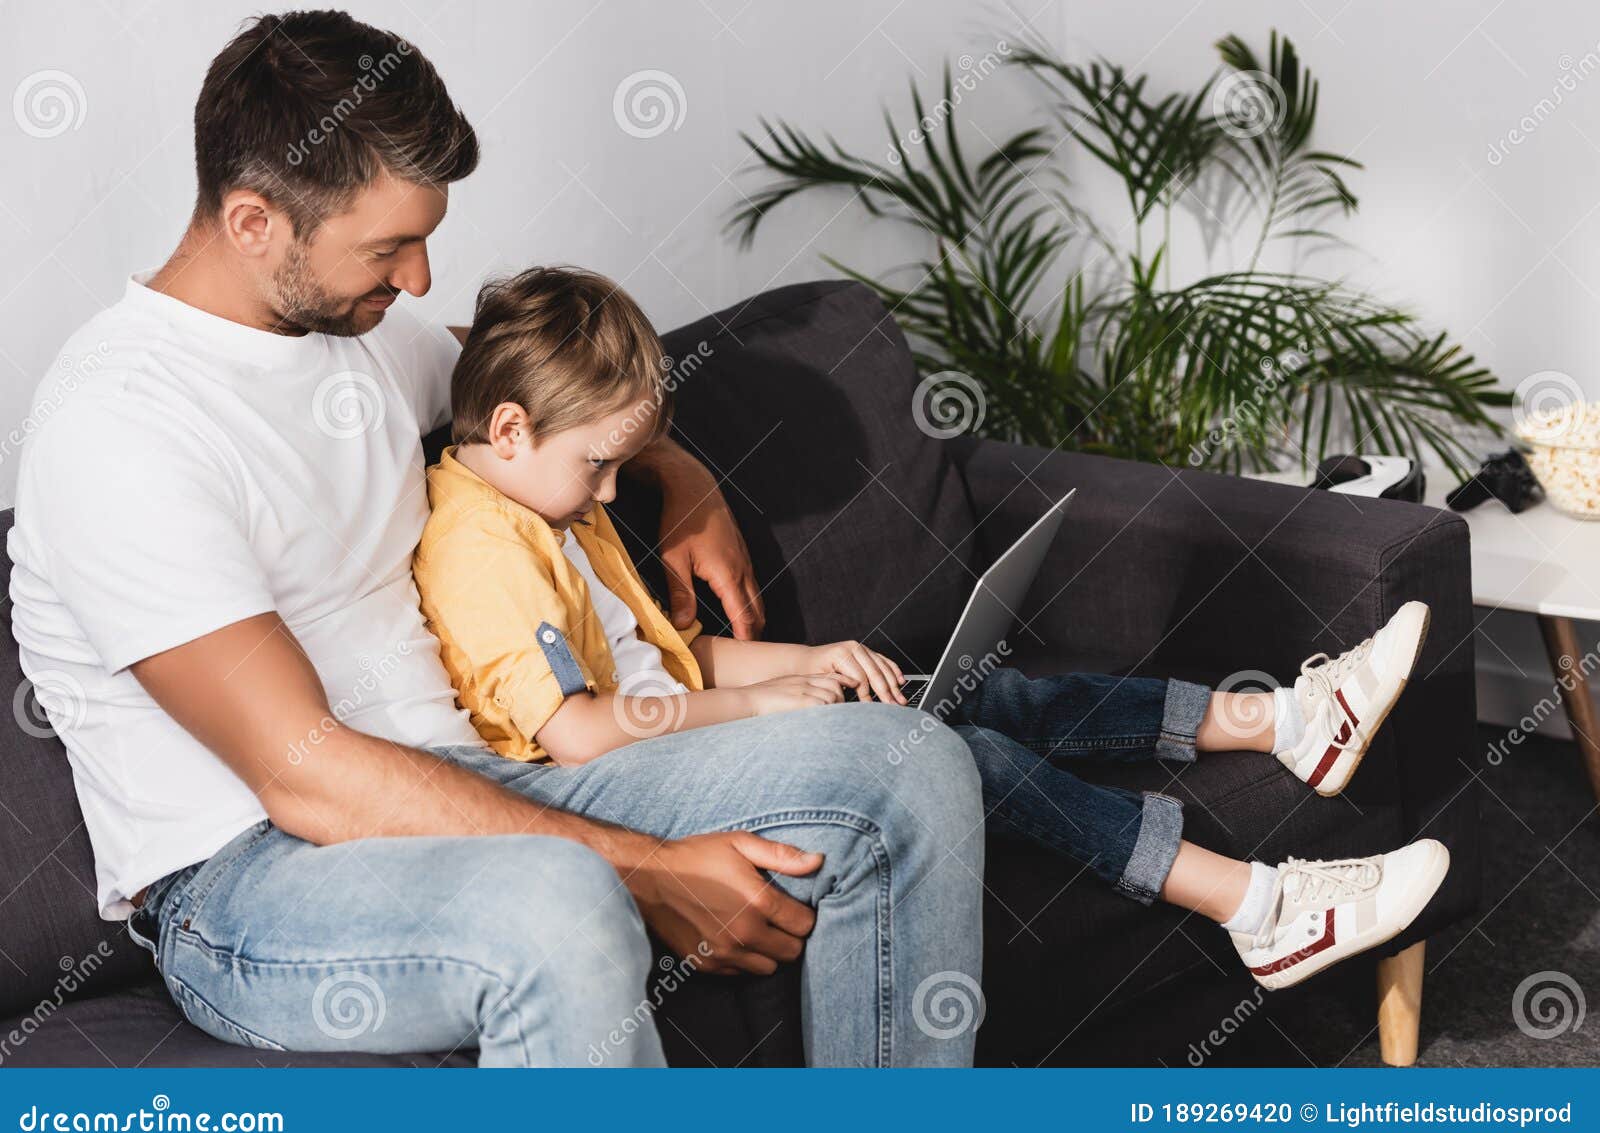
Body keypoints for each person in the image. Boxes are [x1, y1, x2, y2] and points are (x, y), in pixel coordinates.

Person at [9, 11, 984, 1066]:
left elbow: (549, 393)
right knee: (557, 905)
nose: (420, 280)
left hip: (484, 778)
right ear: (254, 222)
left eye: (424, 239)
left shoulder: (363, 338)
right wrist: (643, 868)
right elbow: (306, 775)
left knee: (907, 764)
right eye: (388, 248)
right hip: (259, 880)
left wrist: (680, 473)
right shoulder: (118, 427)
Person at [415, 264, 1453, 995]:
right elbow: (581, 735)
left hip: (693, 730)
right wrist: (758, 706)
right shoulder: (486, 547)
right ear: (509, 428)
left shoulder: (558, 509)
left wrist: (810, 663)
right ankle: (1259, 911)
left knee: (962, 694)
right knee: (971, 756)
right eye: (598, 464)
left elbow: (676, 661)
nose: (610, 489)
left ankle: (1279, 722)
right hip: (629, 786)